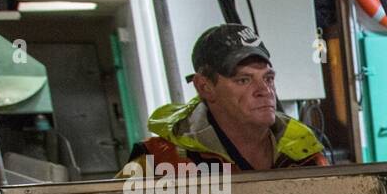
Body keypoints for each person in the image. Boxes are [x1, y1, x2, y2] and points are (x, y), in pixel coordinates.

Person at [123, 24, 328, 176]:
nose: (264, 90)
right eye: (243, 80)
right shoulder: (159, 161)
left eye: (268, 78)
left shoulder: (304, 153)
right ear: (205, 87)